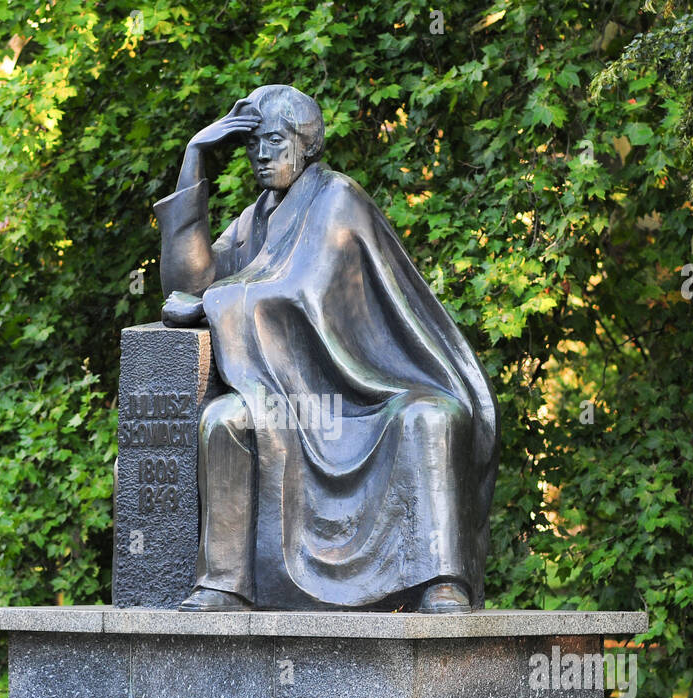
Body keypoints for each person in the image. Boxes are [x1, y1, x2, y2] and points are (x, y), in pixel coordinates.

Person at [154, 85, 498, 613]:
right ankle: (224, 583)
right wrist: (194, 157)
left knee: (430, 419)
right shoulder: (256, 218)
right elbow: (189, 277)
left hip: (363, 393)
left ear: (307, 144)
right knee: (222, 420)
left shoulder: (338, 197)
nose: (262, 156)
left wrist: (209, 306)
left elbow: (304, 291)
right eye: (252, 146)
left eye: (274, 141)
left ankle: (441, 580)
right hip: (283, 396)